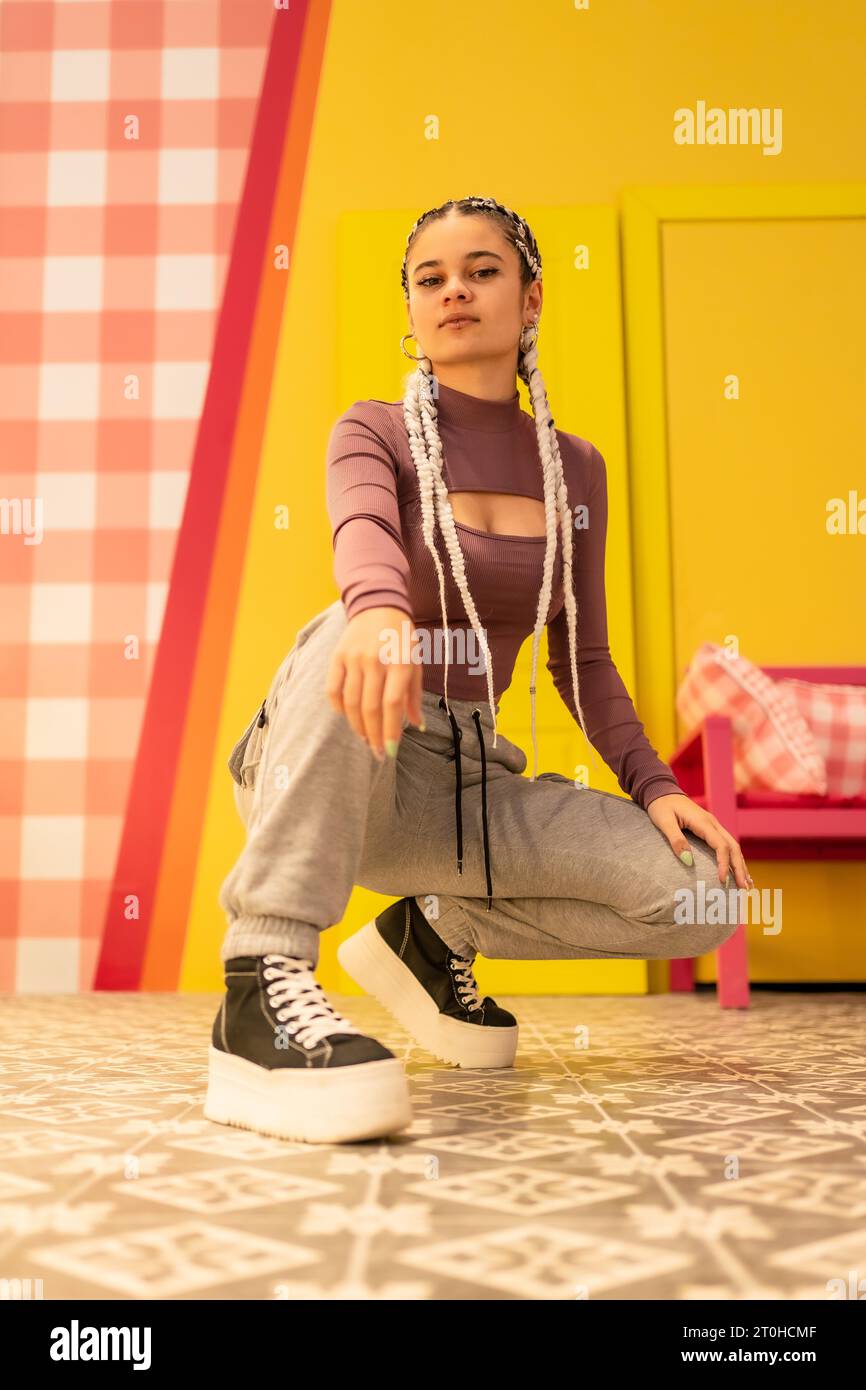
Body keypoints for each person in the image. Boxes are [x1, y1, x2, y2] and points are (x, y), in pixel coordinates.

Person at [204, 194, 751, 1147]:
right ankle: (261, 979)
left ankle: (436, 930)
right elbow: (363, 533)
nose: (454, 290)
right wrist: (379, 612)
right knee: (347, 626)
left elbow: (583, 658)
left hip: (466, 787)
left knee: (705, 893)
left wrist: (656, 786)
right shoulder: (370, 428)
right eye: (430, 278)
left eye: (482, 271)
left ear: (530, 300)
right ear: (412, 312)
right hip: (343, 759)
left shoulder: (574, 469)